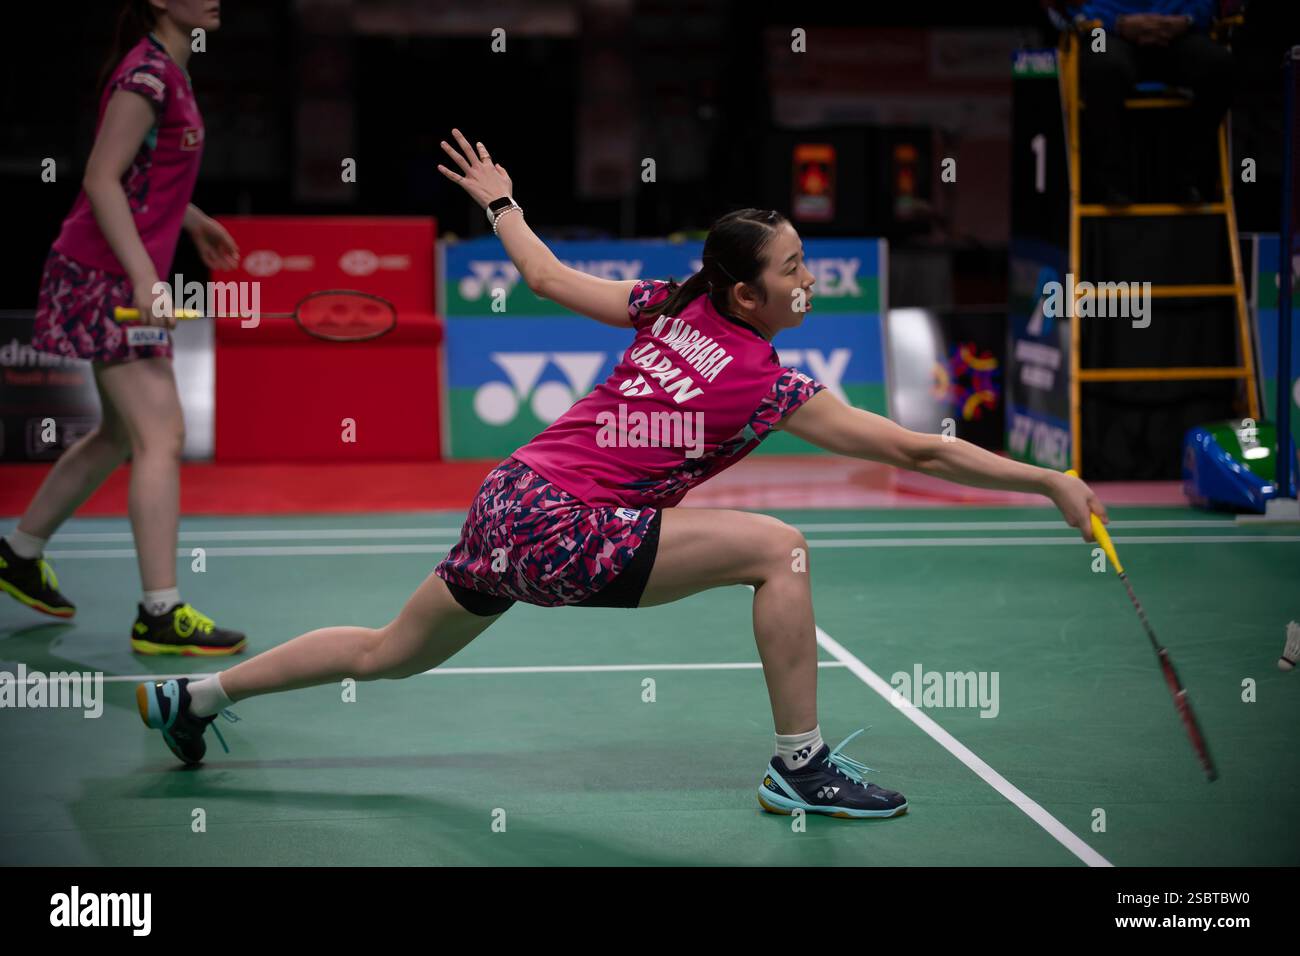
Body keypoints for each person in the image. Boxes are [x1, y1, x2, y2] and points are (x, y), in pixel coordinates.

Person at [135, 130, 1107, 820]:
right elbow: (919, 449)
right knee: (781, 549)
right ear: (745, 290)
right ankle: (800, 765)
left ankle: (201, 697)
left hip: (506, 496)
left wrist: (500, 202)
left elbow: (549, 277)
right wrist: (1049, 479)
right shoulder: (768, 382)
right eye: (795, 268)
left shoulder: (673, 307)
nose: (811, 281)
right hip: (564, 523)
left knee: (388, 651)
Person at [0, 0, 246, 655]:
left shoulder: (173, 71)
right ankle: (159, 611)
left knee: (119, 434)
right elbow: (101, 180)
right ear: (161, 1)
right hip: (102, 277)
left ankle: (19, 553)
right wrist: (144, 277)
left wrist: (190, 220)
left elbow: (143, 174)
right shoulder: (145, 77)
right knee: (161, 434)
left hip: (112, 273)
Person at [1068, 0, 1235, 202]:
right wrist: (1117, 22)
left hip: (1179, 29)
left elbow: (1208, 4)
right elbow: (1075, 7)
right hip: (1104, 29)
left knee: (1220, 66)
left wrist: (1187, 20)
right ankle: (1112, 184)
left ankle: (1188, 179)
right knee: (1100, 65)